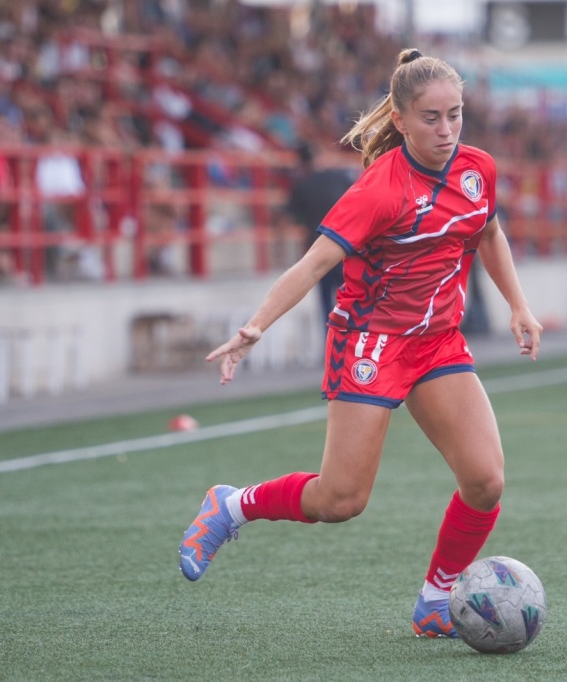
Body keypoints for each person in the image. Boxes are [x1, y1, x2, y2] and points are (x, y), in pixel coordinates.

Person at [178, 48, 543, 640]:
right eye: (431, 118)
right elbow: (314, 263)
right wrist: (256, 326)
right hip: (372, 343)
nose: (446, 130)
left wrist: (519, 306)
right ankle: (232, 505)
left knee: (486, 480)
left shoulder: (478, 168)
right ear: (399, 120)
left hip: (437, 342)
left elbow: (490, 232)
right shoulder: (381, 189)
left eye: (455, 115)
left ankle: (434, 600)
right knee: (341, 500)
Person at [286, 141, 357, 329]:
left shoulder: (301, 185)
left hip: (318, 252)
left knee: (326, 304)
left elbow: (293, 217)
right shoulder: (340, 178)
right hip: (346, 249)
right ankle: (353, 344)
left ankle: (329, 348)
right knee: (352, 300)